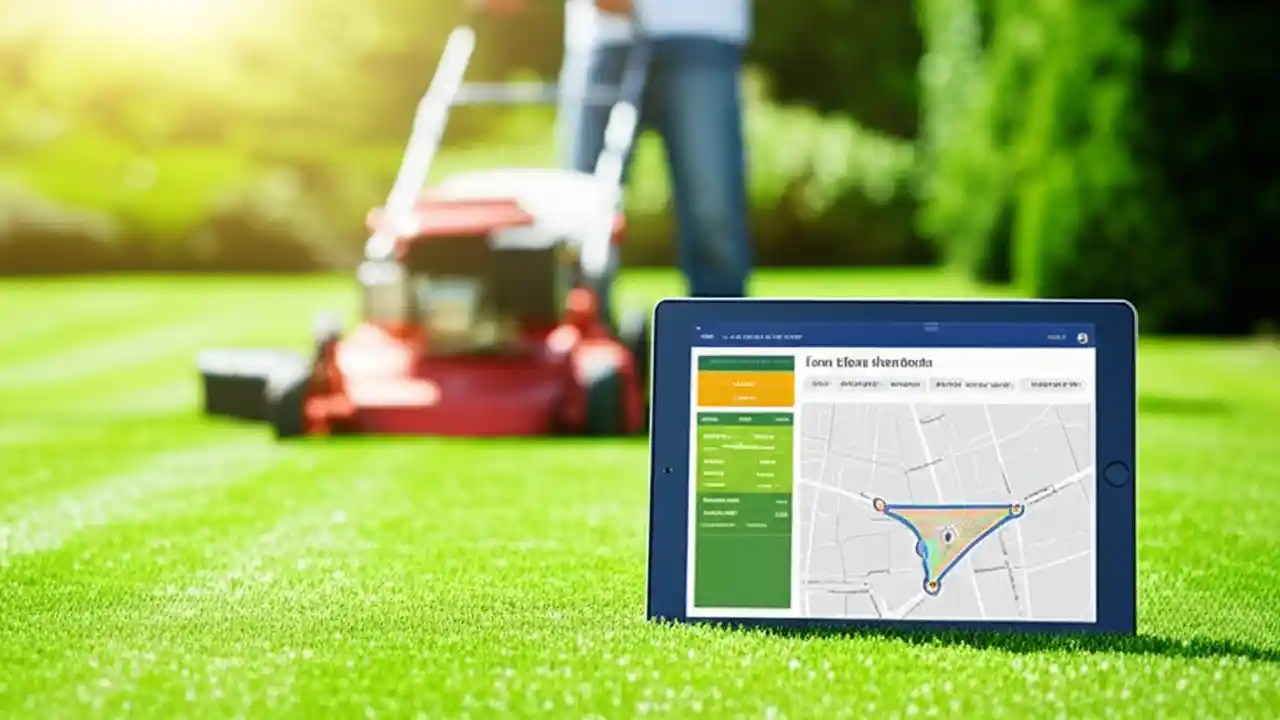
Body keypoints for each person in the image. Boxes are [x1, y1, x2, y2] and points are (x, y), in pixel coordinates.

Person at [485, 0, 754, 322]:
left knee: (714, 213)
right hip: (603, 35)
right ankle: (582, 343)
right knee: (581, 215)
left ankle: (722, 353)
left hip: (701, 26)